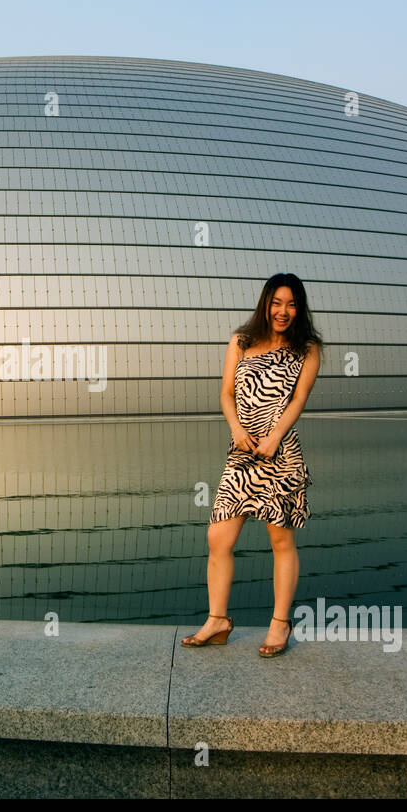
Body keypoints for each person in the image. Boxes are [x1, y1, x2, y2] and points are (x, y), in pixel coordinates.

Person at [181, 273, 322, 657]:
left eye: (292, 304)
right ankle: (218, 620)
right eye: (277, 303)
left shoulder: (308, 348)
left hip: (281, 454)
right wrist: (237, 429)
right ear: (265, 303)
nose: (283, 311)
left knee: (280, 539)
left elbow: (298, 400)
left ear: (300, 308)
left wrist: (274, 437)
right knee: (218, 538)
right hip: (241, 454)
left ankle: (279, 625)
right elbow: (226, 394)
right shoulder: (240, 342)